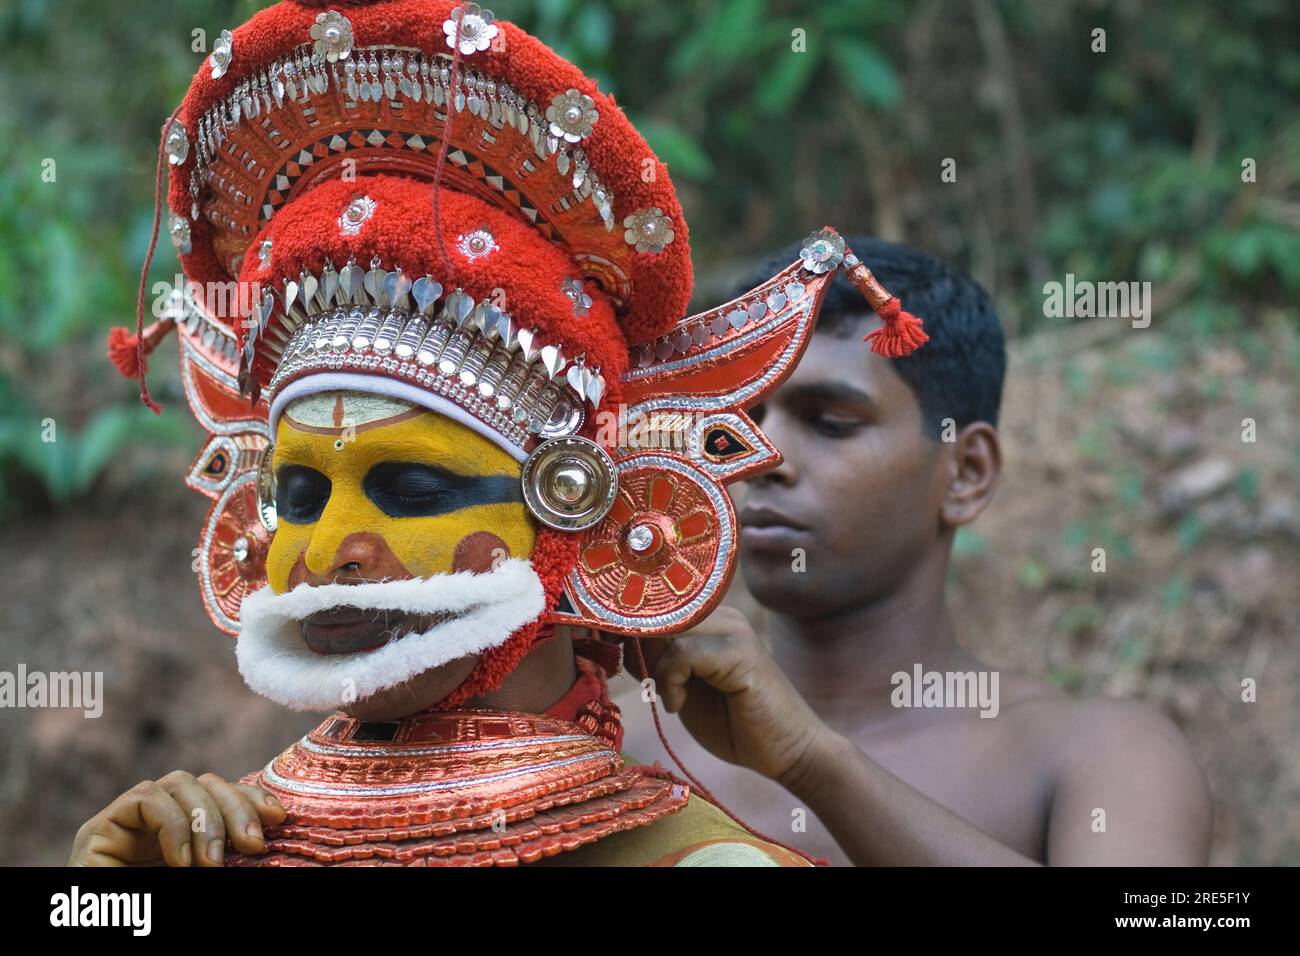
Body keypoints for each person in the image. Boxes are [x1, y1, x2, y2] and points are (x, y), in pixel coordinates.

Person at [68, 0, 928, 867]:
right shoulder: (215, 846)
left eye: (414, 489)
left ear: (576, 507)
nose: (330, 551)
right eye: (299, 495)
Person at [618, 236, 1214, 866]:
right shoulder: (625, 746)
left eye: (831, 422)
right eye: (739, 419)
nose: (764, 457)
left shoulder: (1099, 756)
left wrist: (814, 763)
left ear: (967, 473)